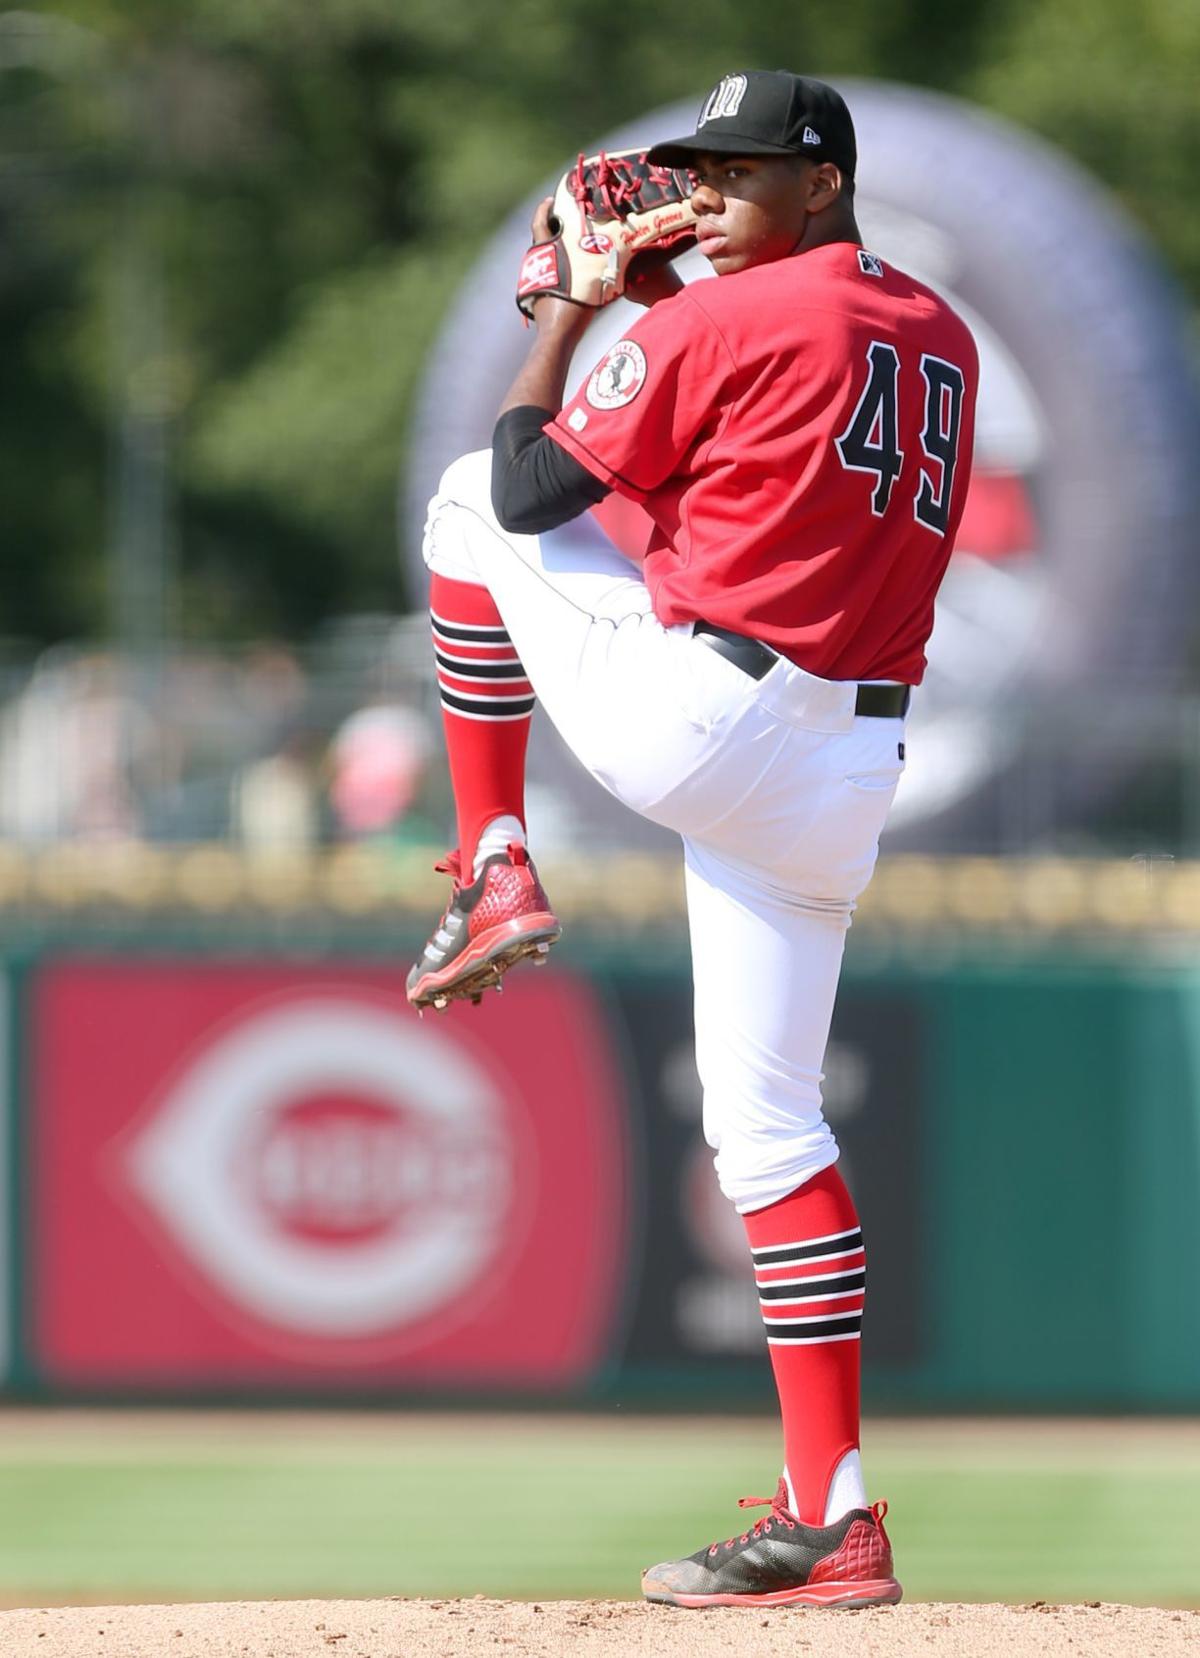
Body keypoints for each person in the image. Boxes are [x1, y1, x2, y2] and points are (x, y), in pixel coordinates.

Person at [408, 69, 978, 1608]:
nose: (709, 194)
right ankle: (831, 1513)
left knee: (462, 502)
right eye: (700, 171)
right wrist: (665, 302)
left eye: (742, 172)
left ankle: (492, 861)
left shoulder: (716, 323)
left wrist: (570, 312)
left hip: (713, 722)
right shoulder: (939, 330)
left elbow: (533, 485)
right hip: (846, 768)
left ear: (823, 180)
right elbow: (747, 471)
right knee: (773, 1130)